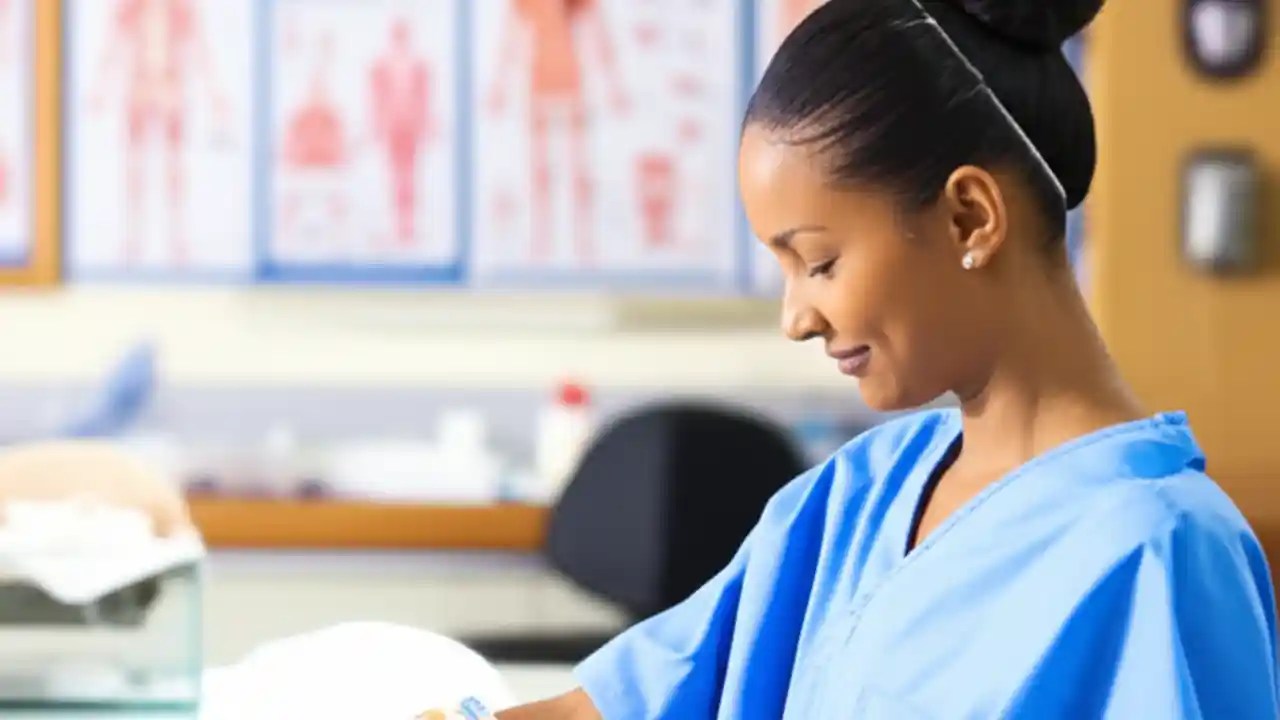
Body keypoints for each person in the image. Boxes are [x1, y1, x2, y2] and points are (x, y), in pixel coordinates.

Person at [439, 0, 1280, 717]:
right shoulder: (862, 494)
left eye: (820, 262)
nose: (796, 318)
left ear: (969, 217)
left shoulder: (1159, 551)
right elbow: (628, 700)